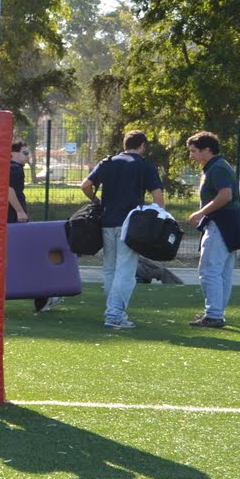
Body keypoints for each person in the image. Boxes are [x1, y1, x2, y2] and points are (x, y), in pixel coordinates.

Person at [81, 130, 165, 329]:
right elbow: (158, 198)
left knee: (110, 269)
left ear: (125, 144)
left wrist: (97, 200)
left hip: (107, 221)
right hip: (132, 225)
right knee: (126, 272)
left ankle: (113, 310)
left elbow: (85, 185)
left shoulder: (107, 162)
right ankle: (115, 314)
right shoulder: (144, 166)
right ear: (142, 146)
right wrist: (157, 220)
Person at [186, 130, 240, 328]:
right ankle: (216, 313)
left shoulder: (218, 168)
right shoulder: (216, 166)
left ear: (207, 150)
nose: (191, 155)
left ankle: (213, 315)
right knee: (222, 271)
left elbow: (225, 195)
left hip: (222, 223)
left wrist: (200, 213)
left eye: (194, 151)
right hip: (231, 222)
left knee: (209, 269)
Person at [8, 141, 32, 223]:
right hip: (13, 214)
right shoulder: (15, 168)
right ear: (13, 153)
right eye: (25, 153)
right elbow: (9, 189)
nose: (28, 156)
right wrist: (20, 211)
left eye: (28, 153)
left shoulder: (11, 167)